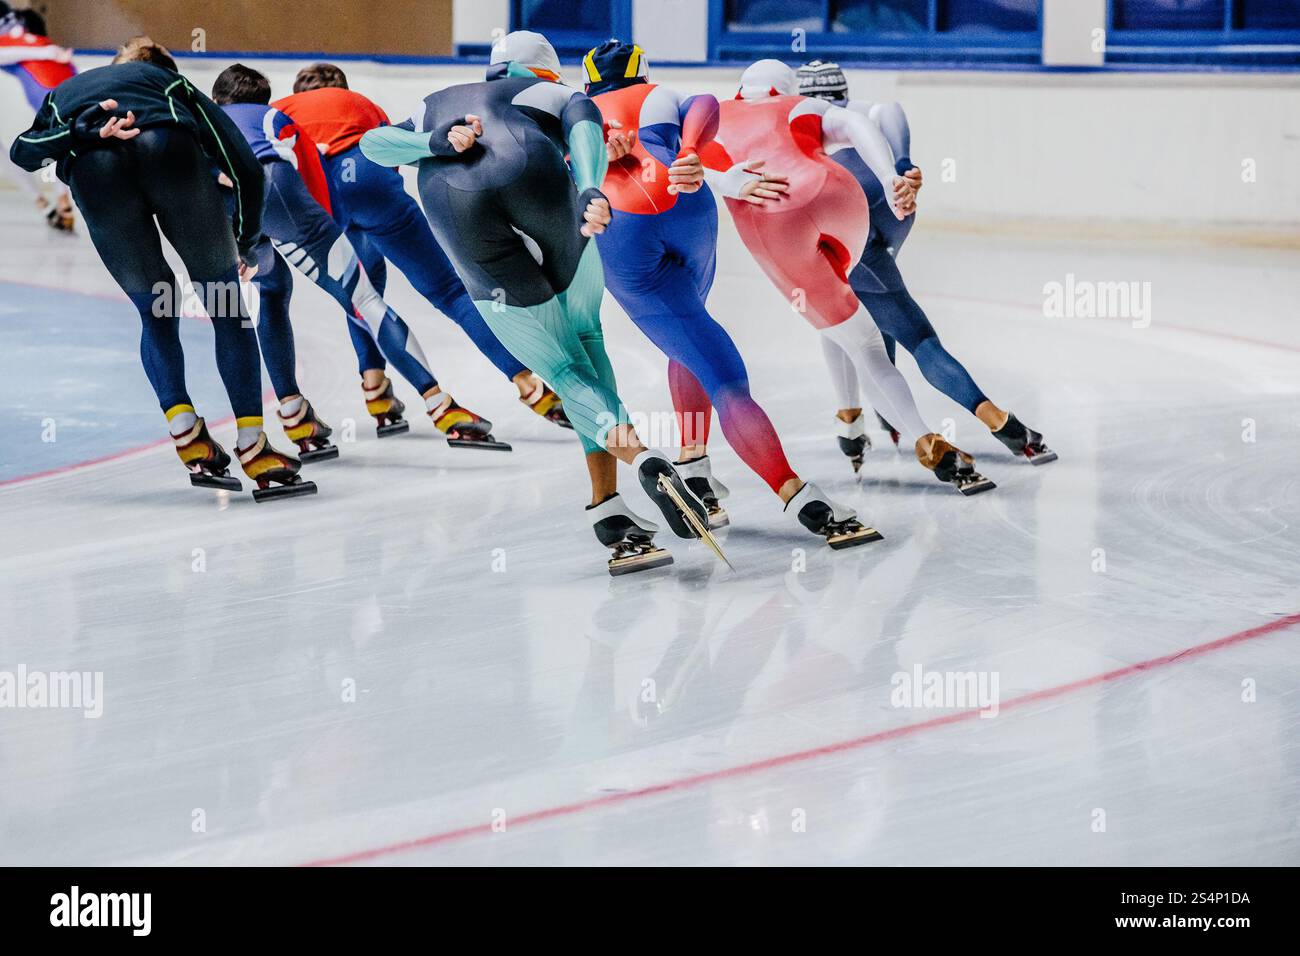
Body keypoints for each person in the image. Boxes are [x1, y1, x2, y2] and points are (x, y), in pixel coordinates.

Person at [360, 30, 721, 575]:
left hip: (457, 210)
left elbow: (374, 145)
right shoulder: (552, 91)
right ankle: (623, 485)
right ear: (547, 71)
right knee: (587, 344)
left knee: (562, 370)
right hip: (544, 191)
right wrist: (592, 188)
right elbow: (583, 121)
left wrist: (435, 144)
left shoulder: (434, 103)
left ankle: (620, 494)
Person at [583, 39, 881, 550]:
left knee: (714, 366)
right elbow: (704, 104)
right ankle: (694, 464)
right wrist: (691, 150)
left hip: (622, 225)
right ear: (642, 72)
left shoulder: (578, 109)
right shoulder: (660, 93)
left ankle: (797, 495)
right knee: (693, 332)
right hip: (686, 200)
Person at [9, 36, 311, 500]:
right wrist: (247, 241)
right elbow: (244, 167)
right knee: (226, 308)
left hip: (94, 170)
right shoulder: (169, 83)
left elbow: (24, 152)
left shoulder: (67, 93)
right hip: (169, 152)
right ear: (164, 67)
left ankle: (187, 433)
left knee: (156, 310)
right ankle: (256, 448)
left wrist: (78, 135)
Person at [698, 59, 994, 495]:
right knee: (848, 313)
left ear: (743, 88)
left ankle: (911, 435)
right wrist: (891, 177)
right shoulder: (800, 105)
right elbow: (860, 123)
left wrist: (726, 182)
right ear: (786, 89)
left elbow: (679, 165)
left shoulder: (716, 116)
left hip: (779, 223)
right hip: (840, 201)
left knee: (857, 338)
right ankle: (851, 418)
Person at [212, 63, 513, 455]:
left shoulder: (212, 120)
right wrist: (330, 233)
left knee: (271, 293)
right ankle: (441, 406)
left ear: (218, 99)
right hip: (299, 200)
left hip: (236, 210)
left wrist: (235, 245)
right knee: (365, 300)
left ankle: (290, 417)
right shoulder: (277, 116)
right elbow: (330, 172)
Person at [273, 63, 571, 440]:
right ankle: (529, 385)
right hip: (369, 177)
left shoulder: (282, 110)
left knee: (361, 295)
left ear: (298, 90)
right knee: (450, 291)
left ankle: (376, 388)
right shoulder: (360, 103)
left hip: (312, 191)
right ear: (341, 87)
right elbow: (389, 157)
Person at [797, 59, 1056, 468]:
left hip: (848, 223)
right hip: (891, 209)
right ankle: (866, 419)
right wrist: (903, 166)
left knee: (864, 325)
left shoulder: (800, 129)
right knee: (875, 314)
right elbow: (890, 111)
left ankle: (992, 421)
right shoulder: (864, 112)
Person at [0, 3, 76, 230]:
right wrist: (45, 51)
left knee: (55, 139)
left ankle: (53, 200)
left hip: (53, 83)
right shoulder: (35, 46)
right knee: (54, 140)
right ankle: (52, 201)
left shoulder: (29, 43)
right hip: (55, 80)